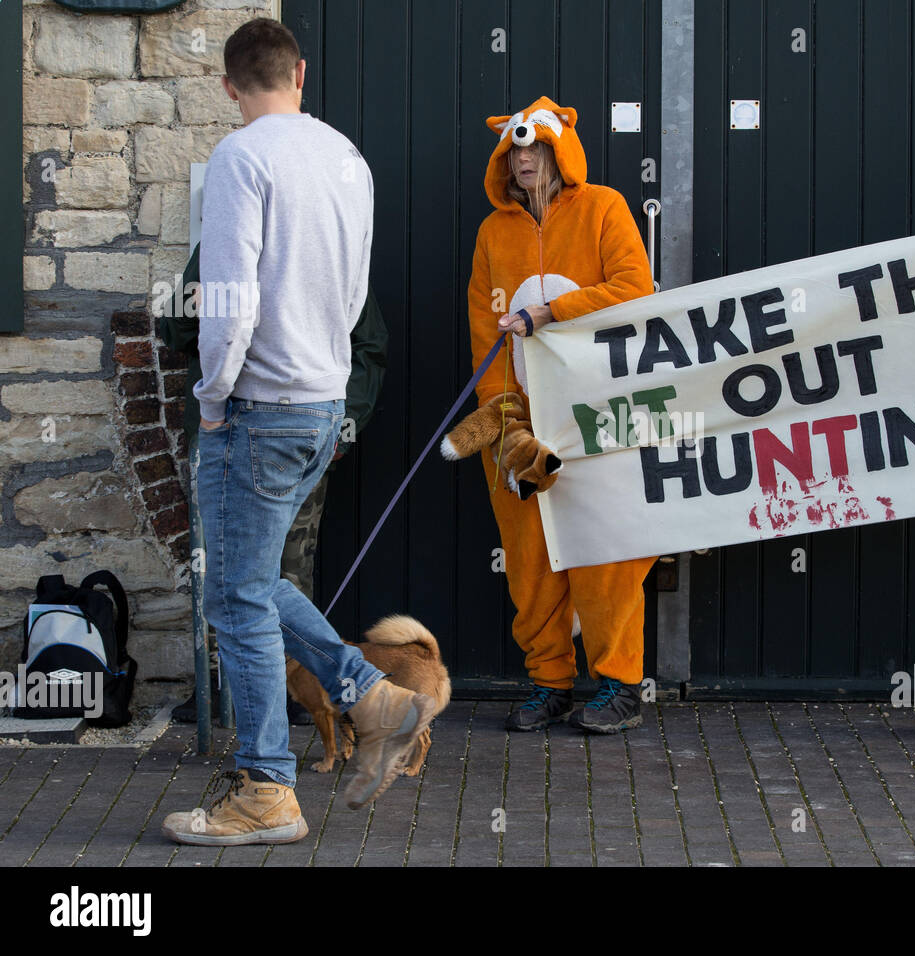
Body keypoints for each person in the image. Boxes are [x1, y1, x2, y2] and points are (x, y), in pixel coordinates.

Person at [161, 18, 438, 846]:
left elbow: (228, 297)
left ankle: (268, 792)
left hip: (257, 408)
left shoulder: (242, 158)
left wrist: (213, 395)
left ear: (228, 85)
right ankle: (376, 696)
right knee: (255, 582)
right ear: (301, 73)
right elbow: (353, 294)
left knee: (235, 599)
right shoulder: (345, 157)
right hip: (321, 406)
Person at [466, 96, 657, 733]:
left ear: (558, 152)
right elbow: (483, 337)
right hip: (526, 423)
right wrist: (502, 423)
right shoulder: (494, 233)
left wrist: (553, 313)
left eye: (534, 148)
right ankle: (549, 681)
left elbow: (637, 291)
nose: (523, 160)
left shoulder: (604, 207)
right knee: (531, 558)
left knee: (607, 554)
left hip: (601, 416)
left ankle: (620, 685)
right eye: (513, 151)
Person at [160, 243, 388, 726]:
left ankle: (291, 686)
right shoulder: (217, 246)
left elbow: (368, 345)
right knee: (218, 566)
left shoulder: (323, 241)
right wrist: (193, 306)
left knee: (287, 568)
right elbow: (174, 331)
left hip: (294, 433)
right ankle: (222, 684)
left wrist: (345, 426)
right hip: (221, 435)